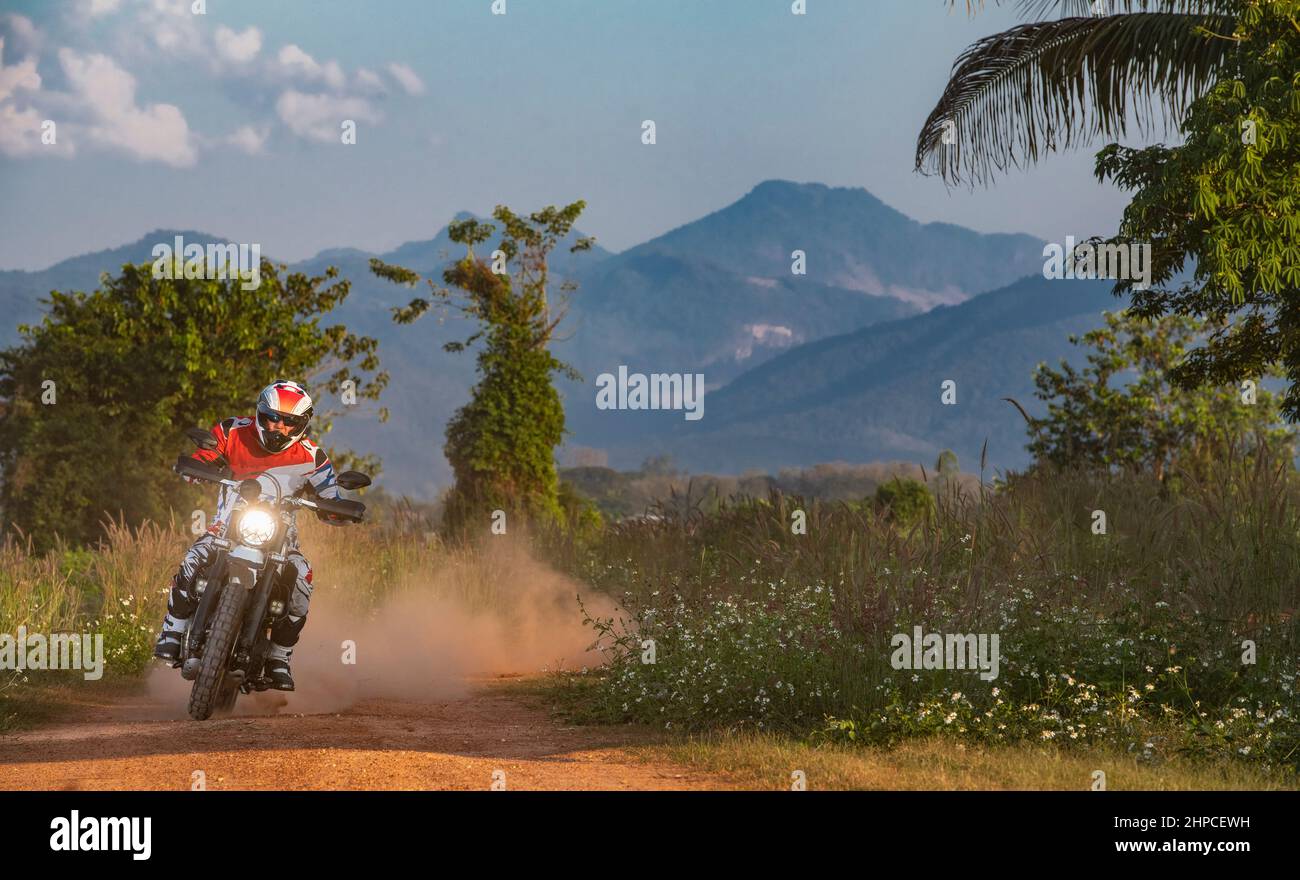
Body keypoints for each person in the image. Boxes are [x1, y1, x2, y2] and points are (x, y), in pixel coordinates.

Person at [152, 379, 345, 690]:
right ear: (260, 412)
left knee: (302, 578)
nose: (277, 426)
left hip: (281, 539)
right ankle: (172, 630)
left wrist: (336, 510)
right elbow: (201, 461)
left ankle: (279, 657)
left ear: (302, 424)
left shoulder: (313, 458)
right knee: (192, 558)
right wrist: (195, 468)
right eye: (271, 417)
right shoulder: (232, 431)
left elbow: (332, 498)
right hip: (226, 526)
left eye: (288, 421)